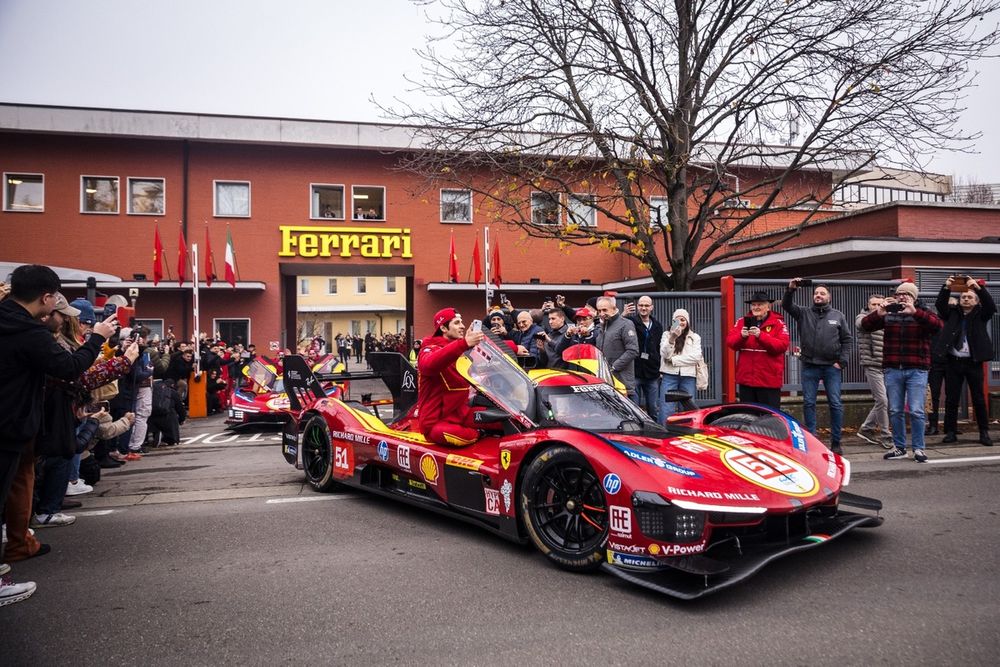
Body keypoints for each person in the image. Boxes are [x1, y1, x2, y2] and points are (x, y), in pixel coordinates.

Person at [0, 265, 116, 606]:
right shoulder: (27, 331)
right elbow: (69, 368)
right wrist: (98, 338)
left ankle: (18, 543)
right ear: (46, 297)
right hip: (10, 425)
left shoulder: (8, 321)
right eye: (54, 302)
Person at [861, 281, 942, 462]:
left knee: (916, 410)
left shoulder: (923, 312)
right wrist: (879, 313)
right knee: (895, 410)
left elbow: (937, 327)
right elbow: (865, 326)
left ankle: (919, 448)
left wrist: (915, 312)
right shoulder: (890, 311)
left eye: (907, 294)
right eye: (900, 294)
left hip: (917, 369)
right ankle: (899, 447)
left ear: (914, 297)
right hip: (893, 368)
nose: (903, 297)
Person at [781, 279, 852, 453]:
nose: (818, 295)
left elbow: (847, 340)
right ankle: (812, 440)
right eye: (816, 293)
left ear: (829, 297)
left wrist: (841, 361)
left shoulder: (838, 315)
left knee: (835, 403)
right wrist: (790, 289)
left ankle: (836, 441)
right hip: (809, 365)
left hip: (831, 367)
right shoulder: (804, 313)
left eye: (822, 293)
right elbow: (786, 305)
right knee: (808, 403)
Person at [935, 275, 996, 445]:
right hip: (954, 361)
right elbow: (940, 305)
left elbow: (990, 306)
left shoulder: (981, 315)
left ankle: (984, 432)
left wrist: (978, 288)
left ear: (976, 301)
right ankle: (951, 432)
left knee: (978, 398)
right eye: (963, 297)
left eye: (969, 297)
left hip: (973, 362)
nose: (966, 299)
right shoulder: (953, 313)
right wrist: (946, 287)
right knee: (951, 398)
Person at [416, 308, 485, 446]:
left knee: (504, 419)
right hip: (436, 424)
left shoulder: (459, 348)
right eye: (457, 323)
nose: (463, 326)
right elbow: (428, 365)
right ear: (443, 328)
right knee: (442, 433)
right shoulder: (429, 348)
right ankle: (480, 434)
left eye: (462, 322)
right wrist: (464, 343)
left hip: (462, 415)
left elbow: (485, 352)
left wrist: (515, 347)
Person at [725, 291, 789, 411]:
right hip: (746, 380)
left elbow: (781, 346)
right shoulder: (741, 322)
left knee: (769, 418)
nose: (756, 307)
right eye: (754, 305)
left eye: (760, 304)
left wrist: (761, 336)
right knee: (748, 417)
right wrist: (741, 336)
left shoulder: (778, 323)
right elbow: (730, 342)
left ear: (768, 306)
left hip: (768, 381)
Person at [856, 294, 893, 448]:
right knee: (882, 401)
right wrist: (881, 312)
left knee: (883, 401)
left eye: (880, 304)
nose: (877, 307)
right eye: (874, 304)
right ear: (868, 305)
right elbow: (862, 325)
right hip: (871, 364)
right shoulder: (862, 317)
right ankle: (886, 435)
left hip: (887, 364)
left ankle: (866, 428)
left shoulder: (888, 318)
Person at [658, 308, 703, 422]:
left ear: (687, 322)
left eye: (683, 319)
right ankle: (666, 432)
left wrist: (674, 360)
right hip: (669, 375)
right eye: (677, 320)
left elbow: (696, 357)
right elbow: (664, 354)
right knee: (666, 407)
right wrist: (672, 338)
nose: (681, 322)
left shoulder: (695, 337)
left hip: (688, 376)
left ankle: (686, 432)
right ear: (673, 322)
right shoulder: (666, 335)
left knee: (687, 408)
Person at [595, 296, 640, 402]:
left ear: (614, 308)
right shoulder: (602, 326)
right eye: (599, 310)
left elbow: (633, 350)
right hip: (606, 382)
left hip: (622, 383)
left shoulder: (626, 324)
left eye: (605, 310)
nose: (601, 313)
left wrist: (613, 367)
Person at [626, 296, 664, 420]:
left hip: (652, 372)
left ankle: (655, 434)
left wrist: (660, 368)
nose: (643, 308)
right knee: (634, 409)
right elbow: (616, 327)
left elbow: (660, 348)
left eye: (646, 305)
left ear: (651, 307)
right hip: (635, 371)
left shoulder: (657, 326)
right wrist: (623, 314)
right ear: (637, 307)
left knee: (653, 409)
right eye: (641, 305)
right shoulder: (630, 322)